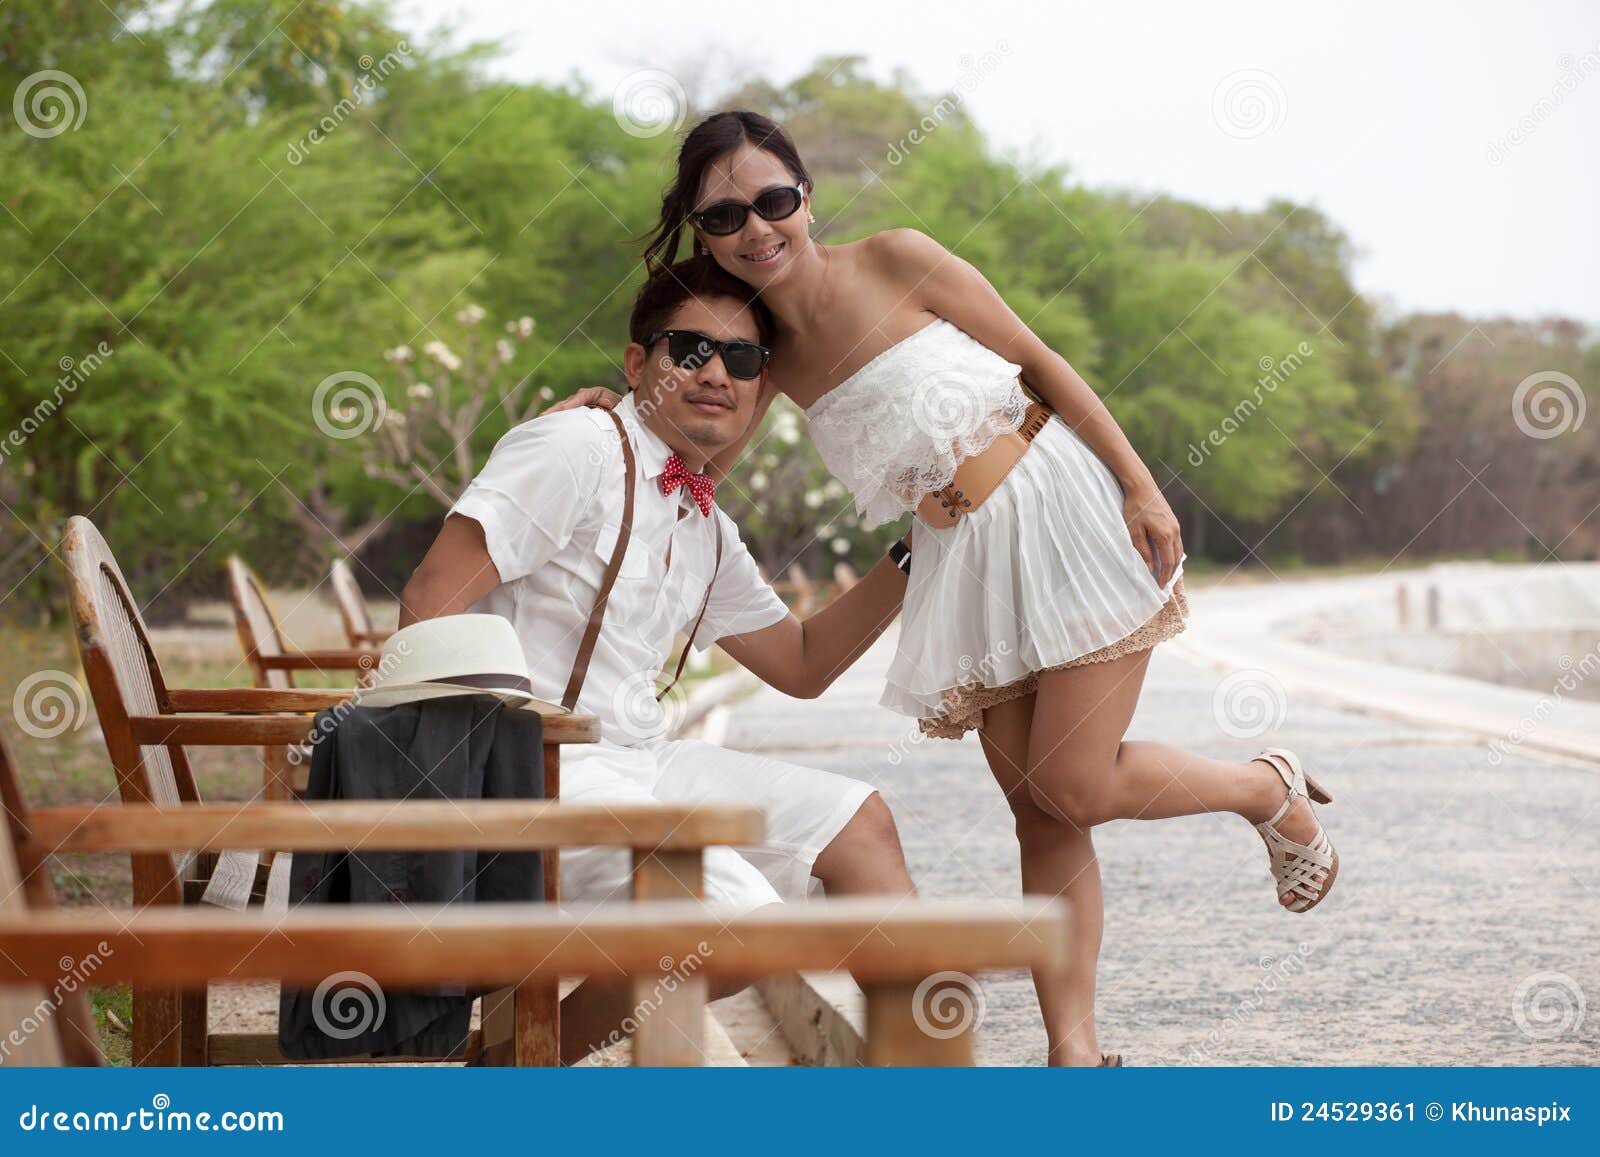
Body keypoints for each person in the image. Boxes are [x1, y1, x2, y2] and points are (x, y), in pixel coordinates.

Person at [555, 109, 1340, 1066]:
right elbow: (696, 441)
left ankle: (1265, 787)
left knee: (1075, 782)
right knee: (1037, 809)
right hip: (959, 562)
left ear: (807, 196)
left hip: (1059, 508)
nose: (758, 229)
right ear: (704, 231)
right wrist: (613, 405)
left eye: (774, 200)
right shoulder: (759, 346)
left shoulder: (897, 258)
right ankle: (1076, 1051)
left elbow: (1040, 360)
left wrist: (1139, 482)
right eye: (727, 216)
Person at [399, 255, 917, 1064]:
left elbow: (804, 661)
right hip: (528, 768)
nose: (716, 372)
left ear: (758, 387)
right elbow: (429, 600)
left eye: (742, 358)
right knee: (734, 929)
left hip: (638, 761)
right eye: (690, 350)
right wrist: (456, 778)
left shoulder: (700, 518)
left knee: (860, 823)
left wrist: (914, 552)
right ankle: (501, 1074)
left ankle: (922, 1109)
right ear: (639, 363)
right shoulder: (577, 446)